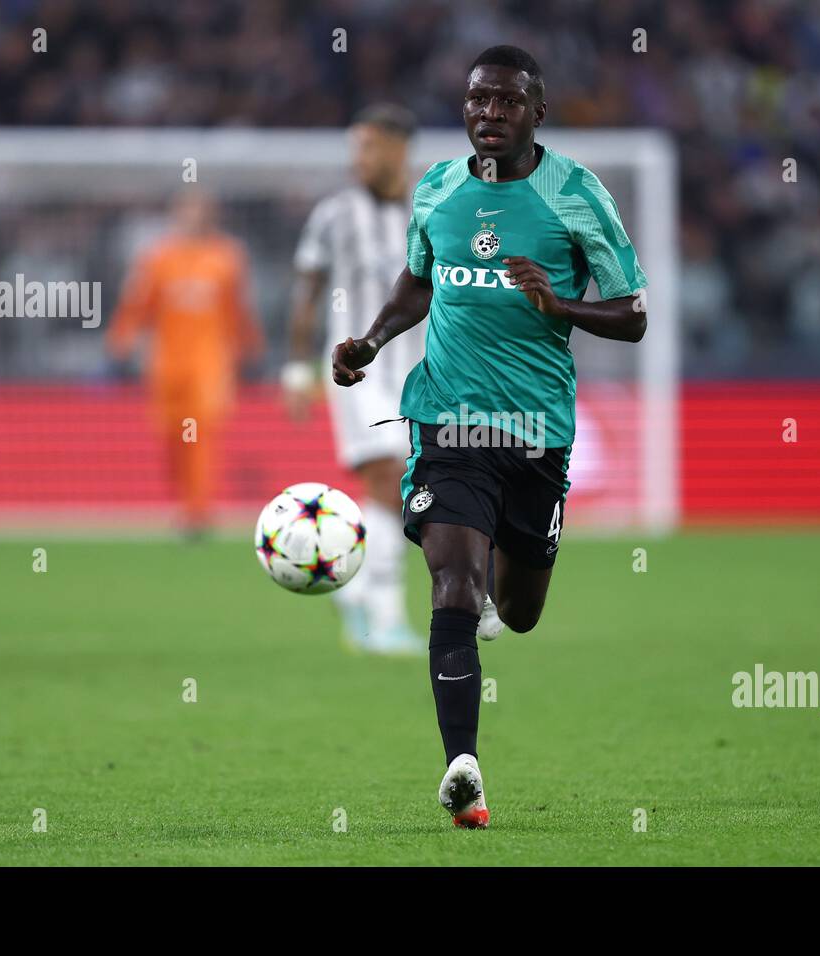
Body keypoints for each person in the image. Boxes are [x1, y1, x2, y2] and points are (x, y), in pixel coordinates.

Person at [330, 46, 647, 828]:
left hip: (538, 430)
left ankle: (506, 585)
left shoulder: (575, 194)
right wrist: (371, 340)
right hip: (448, 421)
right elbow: (421, 279)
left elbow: (633, 314)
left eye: (507, 102)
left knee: (520, 606)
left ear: (537, 112)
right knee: (454, 589)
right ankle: (462, 769)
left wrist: (561, 308)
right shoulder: (438, 187)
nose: (490, 115)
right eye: (478, 101)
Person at [286, 104, 428, 656]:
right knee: (390, 477)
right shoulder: (333, 214)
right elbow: (307, 295)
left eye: (369, 147)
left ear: (397, 150)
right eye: (356, 148)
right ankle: (384, 618)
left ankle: (354, 584)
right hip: (357, 371)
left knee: (414, 490)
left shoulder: (430, 212)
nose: (359, 159)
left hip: (420, 376)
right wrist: (298, 368)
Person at [107, 190, 265, 535]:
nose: (194, 218)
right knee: (172, 437)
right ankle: (185, 503)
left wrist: (251, 348)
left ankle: (198, 512)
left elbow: (239, 310)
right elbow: (137, 305)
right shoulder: (158, 258)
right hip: (166, 364)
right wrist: (121, 342)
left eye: (200, 211)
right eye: (188, 210)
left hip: (209, 364)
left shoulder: (226, 258)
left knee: (201, 435)